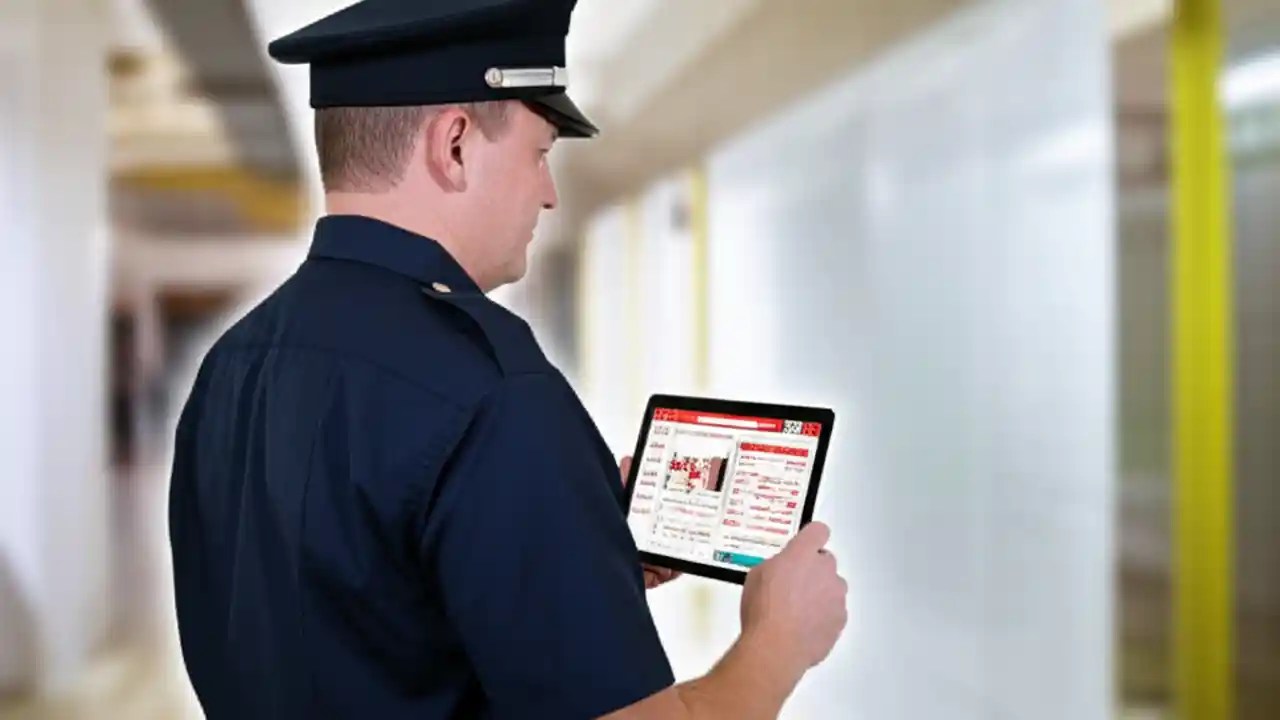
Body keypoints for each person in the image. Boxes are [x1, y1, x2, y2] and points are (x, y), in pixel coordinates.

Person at [167, 1, 848, 718]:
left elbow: (355, 624)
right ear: (454, 145)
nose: (549, 194)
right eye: (540, 154)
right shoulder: (491, 388)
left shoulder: (231, 368)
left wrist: (572, 560)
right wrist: (779, 640)